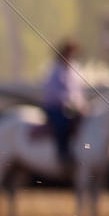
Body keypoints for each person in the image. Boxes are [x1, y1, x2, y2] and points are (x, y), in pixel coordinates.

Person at [41, 39, 86, 167]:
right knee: (62, 123)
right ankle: (63, 153)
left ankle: (82, 154)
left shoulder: (75, 69)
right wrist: (68, 102)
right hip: (55, 107)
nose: (71, 56)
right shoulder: (54, 70)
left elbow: (79, 91)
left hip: (72, 108)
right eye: (69, 53)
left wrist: (82, 105)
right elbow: (51, 91)